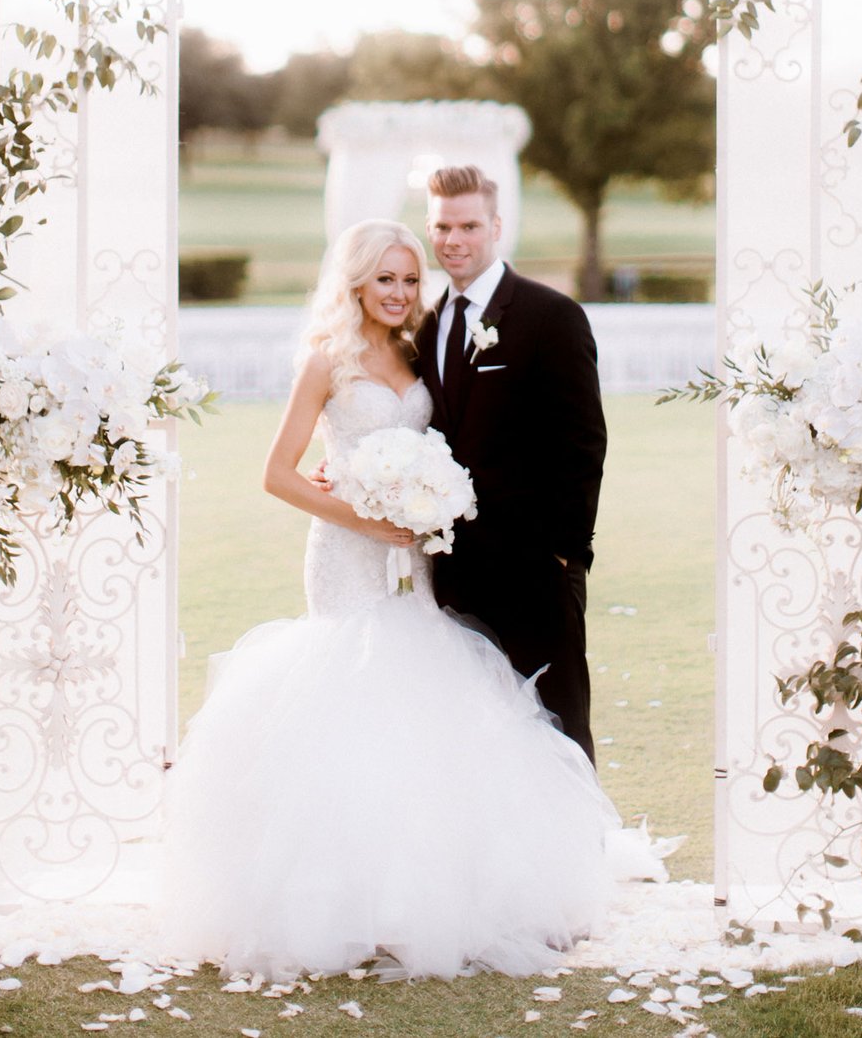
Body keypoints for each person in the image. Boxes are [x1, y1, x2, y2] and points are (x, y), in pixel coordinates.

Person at [159, 218, 627, 979]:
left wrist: (418, 509)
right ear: (356, 283)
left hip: (416, 555)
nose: (401, 292)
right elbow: (278, 472)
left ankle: (422, 896)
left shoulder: (418, 354)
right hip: (348, 553)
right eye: (386, 279)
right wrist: (366, 514)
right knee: (347, 703)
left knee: (420, 703)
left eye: (411, 279)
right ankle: (336, 903)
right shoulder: (326, 361)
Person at [419, 165, 605, 762]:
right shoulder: (425, 326)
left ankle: (580, 853)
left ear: (496, 226)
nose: (454, 240)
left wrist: (565, 554)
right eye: (443, 226)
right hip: (450, 575)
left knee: (557, 729)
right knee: (477, 740)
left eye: (469, 225)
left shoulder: (551, 316)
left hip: (536, 572)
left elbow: (584, 443)